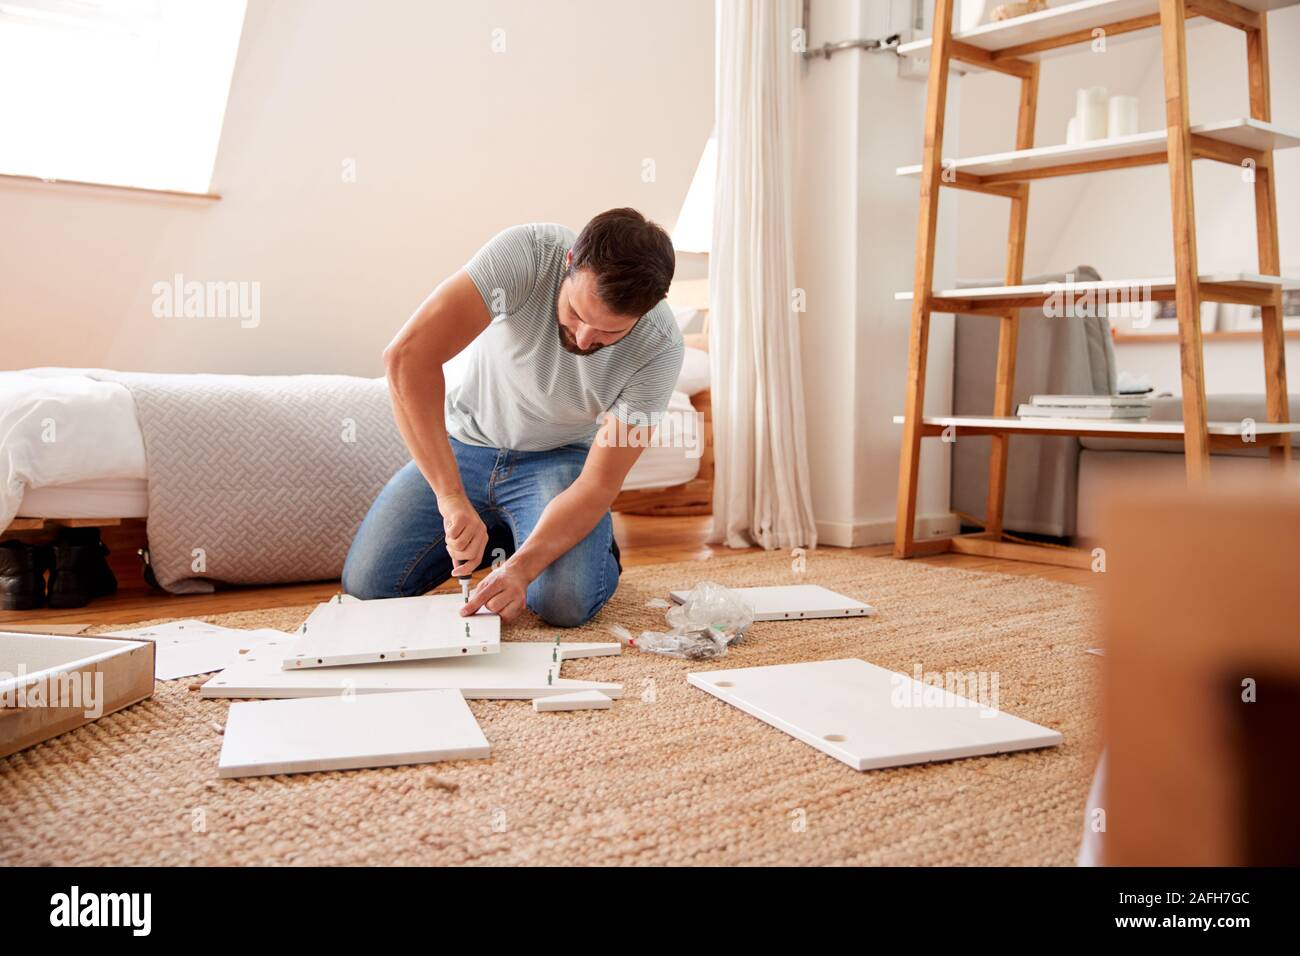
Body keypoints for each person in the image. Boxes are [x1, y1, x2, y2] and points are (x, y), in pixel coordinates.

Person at [342, 208, 684, 626]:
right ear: (570, 261)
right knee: (367, 588)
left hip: (558, 460)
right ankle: (516, 531)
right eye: (576, 313)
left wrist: (522, 570)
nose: (582, 338)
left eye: (609, 332)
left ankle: (584, 550)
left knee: (563, 604)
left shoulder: (660, 347)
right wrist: (450, 499)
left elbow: (598, 484)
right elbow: (405, 357)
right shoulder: (527, 254)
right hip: (466, 444)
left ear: (651, 307)